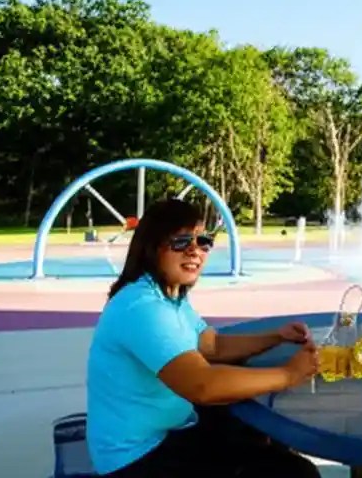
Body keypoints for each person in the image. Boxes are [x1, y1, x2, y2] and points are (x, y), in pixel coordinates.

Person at [86, 198, 321, 477]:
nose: (195, 251)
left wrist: (276, 336)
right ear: (152, 247)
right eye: (181, 241)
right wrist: (289, 374)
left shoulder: (168, 297)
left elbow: (212, 345)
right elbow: (202, 385)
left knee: (259, 431)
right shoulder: (142, 307)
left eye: (203, 241)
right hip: (136, 458)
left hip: (170, 429)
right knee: (296, 473)